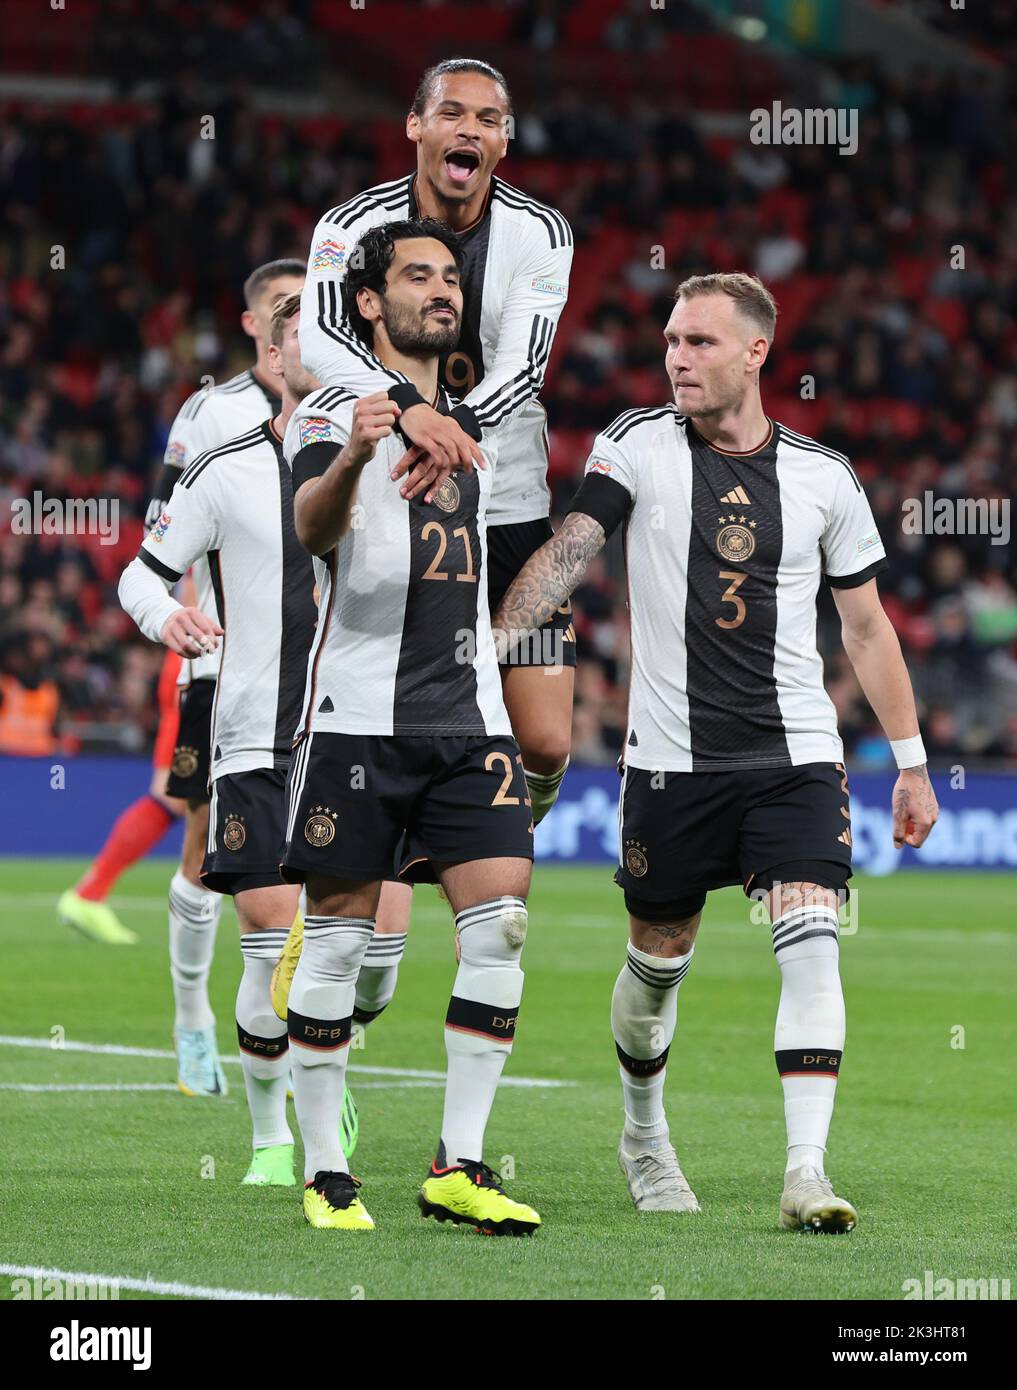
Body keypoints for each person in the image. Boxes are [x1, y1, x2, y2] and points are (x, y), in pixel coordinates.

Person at [492, 271, 939, 1232]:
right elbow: (574, 547)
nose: (676, 359)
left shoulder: (823, 478)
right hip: (668, 763)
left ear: (754, 353)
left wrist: (908, 759)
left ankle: (806, 1173)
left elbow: (865, 630)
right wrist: (498, 639)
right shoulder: (635, 445)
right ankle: (644, 1136)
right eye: (670, 341)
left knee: (813, 944)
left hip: (795, 759)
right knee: (658, 960)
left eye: (697, 343)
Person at [280, 219, 539, 1236]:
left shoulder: (478, 423)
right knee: (340, 944)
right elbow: (312, 528)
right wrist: (357, 450)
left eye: (449, 275)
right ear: (372, 304)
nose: (442, 289)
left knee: (504, 925)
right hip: (356, 719)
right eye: (417, 276)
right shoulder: (330, 406)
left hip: (468, 718)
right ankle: (325, 1169)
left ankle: (459, 1162)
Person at [118, 294, 358, 1181]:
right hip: (254, 731)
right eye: (298, 332)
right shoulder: (221, 463)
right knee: (268, 933)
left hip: (359, 737)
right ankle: (272, 1138)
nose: (311, 346)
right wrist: (166, 624)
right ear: (275, 348)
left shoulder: (387, 463)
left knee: (361, 960)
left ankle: (325, 1069)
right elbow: (141, 578)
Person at [60, 258, 305, 1097]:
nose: (295, 326)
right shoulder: (212, 413)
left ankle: (307, 1039)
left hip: (331, 677)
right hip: (224, 663)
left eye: (312, 309)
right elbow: (167, 539)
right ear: (251, 325)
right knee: (205, 845)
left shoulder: (352, 408)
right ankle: (193, 1014)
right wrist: (179, 624)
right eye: (281, 310)